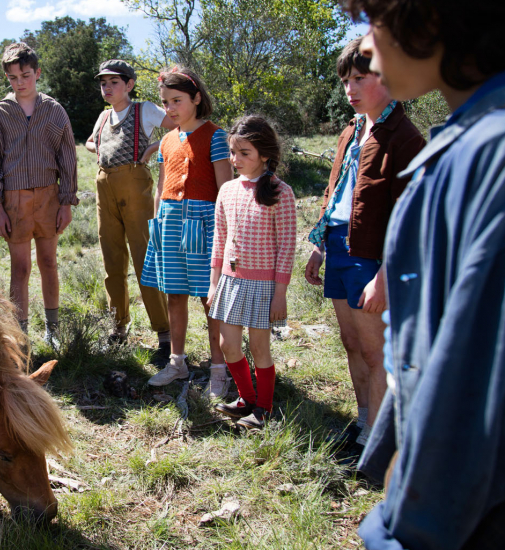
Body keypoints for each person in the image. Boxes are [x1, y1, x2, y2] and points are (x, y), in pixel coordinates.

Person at [337, 0, 505, 548]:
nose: (365, 44)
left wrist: (404, 529)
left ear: (432, 17)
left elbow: (474, 369)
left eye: (375, 21)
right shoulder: (465, 139)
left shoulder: (491, 154)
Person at [304, 38, 425, 451]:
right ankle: (362, 423)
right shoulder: (352, 130)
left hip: (372, 258)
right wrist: (320, 246)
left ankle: (379, 442)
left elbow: (411, 221)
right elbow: (335, 192)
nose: (350, 89)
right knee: (352, 344)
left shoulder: (405, 139)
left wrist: (386, 277)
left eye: (360, 78)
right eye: (345, 81)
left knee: (377, 354)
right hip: (338, 245)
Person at [141, 65, 232, 389]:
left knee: (211, 298)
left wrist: (226, 235)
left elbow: (226, 190)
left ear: (196, 98)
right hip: (170, 222)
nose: (170, 109)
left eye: (176, 101)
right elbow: (161, 187)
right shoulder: (167, 140)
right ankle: (177, 363)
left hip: (205, 224)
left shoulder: (216, 136)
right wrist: (156, 225)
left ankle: (219, 369)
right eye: (165, 103)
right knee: (175, 294)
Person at [0, 42, 78, 343]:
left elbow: (67, 156)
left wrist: (66, 202)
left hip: (49, 197)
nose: (20, 82)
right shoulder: (0, 112)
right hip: (14, 200)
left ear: (37, 72)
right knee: (20, 267)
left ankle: (54, 330)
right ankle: (20, 333)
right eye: (13, 77)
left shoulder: (53, 110)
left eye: (25, 75)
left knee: (48, 262)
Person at [84, 59, 176, 366]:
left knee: (144, 257)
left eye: (114, 82)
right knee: (112, 258)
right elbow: (90, 142)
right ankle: (119, 326)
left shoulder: (144, 109)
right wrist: (96, 149)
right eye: (103, 83)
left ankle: (164, 334)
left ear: (130, 85)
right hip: (104, 185)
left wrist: (152, 150)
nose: (108, 88)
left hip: (134, 183)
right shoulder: (103, 115)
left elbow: (178, 126)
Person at [210, 116, 297, 429]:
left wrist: (280, 293)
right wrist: (213, 284)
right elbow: (219, 241)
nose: (236, 160)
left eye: (244, 153)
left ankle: (265, 408)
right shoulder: (228, 190)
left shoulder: (279, 192)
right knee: (227, 345)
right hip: (230, 282)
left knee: (260, 347)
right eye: (233, 152)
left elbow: (287, 248)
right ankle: (246, 399)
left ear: (264, 154)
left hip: (264, 286)